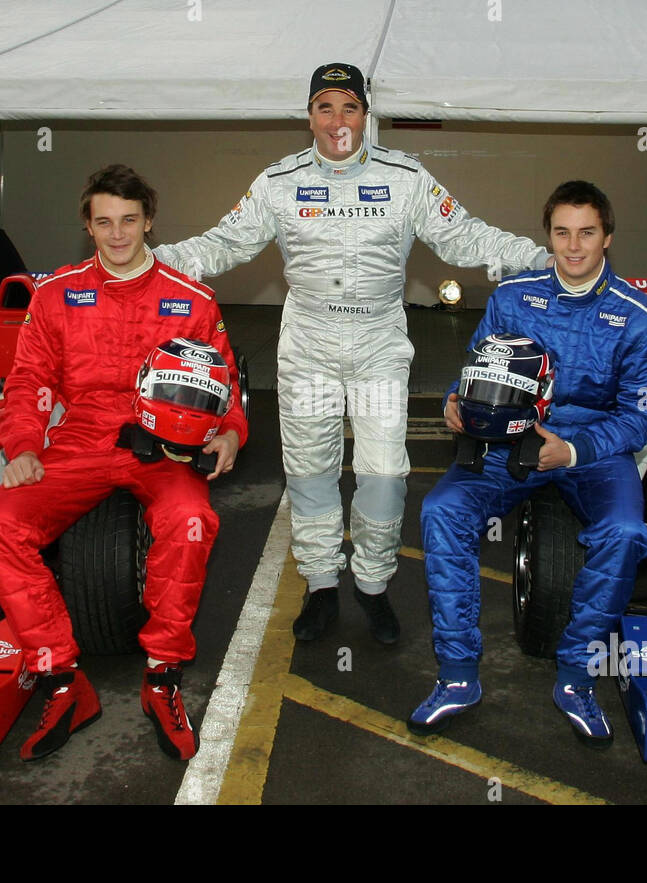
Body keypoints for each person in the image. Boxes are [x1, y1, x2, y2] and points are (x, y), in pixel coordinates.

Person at [153, 63, 548, 646]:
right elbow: (222, 243)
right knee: (311, 470)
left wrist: (541, 259)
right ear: (309, 116)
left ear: (367, 114)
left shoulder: (406, 178)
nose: (337, 121)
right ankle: (320, 586)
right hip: (309, 341)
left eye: (349, 107)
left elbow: (467, 236)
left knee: (384, 473)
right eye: (325, 108)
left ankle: (373, 585)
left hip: (377, 343)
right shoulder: (278, 181)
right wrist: (149, 257)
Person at [0, 164, 247, 762]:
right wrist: (21, 447)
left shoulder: (192, 298)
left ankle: (163, 675)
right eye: (104, 223)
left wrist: (228, 434)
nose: (117, 234)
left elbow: (224, 385)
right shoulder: (54, 295)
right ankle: (63, 681)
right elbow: (29, 380)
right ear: (88, 227)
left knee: (192, 522)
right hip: (80, 442)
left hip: (164, 446)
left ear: (148, 221)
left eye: (129, 221)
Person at [409, 181, 647, 748]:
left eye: (587, 233)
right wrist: (459, 403)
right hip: (508, 443)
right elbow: (477, 369)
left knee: (626, 533)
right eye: (561, 232)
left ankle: (577, 678)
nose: (573, 247)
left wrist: (573, 450)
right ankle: (458, 675)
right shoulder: (513, 297)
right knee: (440, 512)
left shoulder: (641, 318)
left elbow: (646, 418)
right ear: (547, 235)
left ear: (608, 237)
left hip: (594, 452)